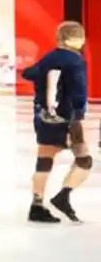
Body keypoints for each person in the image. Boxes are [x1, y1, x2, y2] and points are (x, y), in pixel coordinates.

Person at [22, 21, 91, 223]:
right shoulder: (76, 61)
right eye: (80, 35)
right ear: (72, 39)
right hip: (68, 118)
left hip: (43, 117)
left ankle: (37, 204)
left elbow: (29, 73)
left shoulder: (49, 57)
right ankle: (64, 196)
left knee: (44, 160)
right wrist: (77, 116)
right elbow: (79, 94)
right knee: (84, 160)